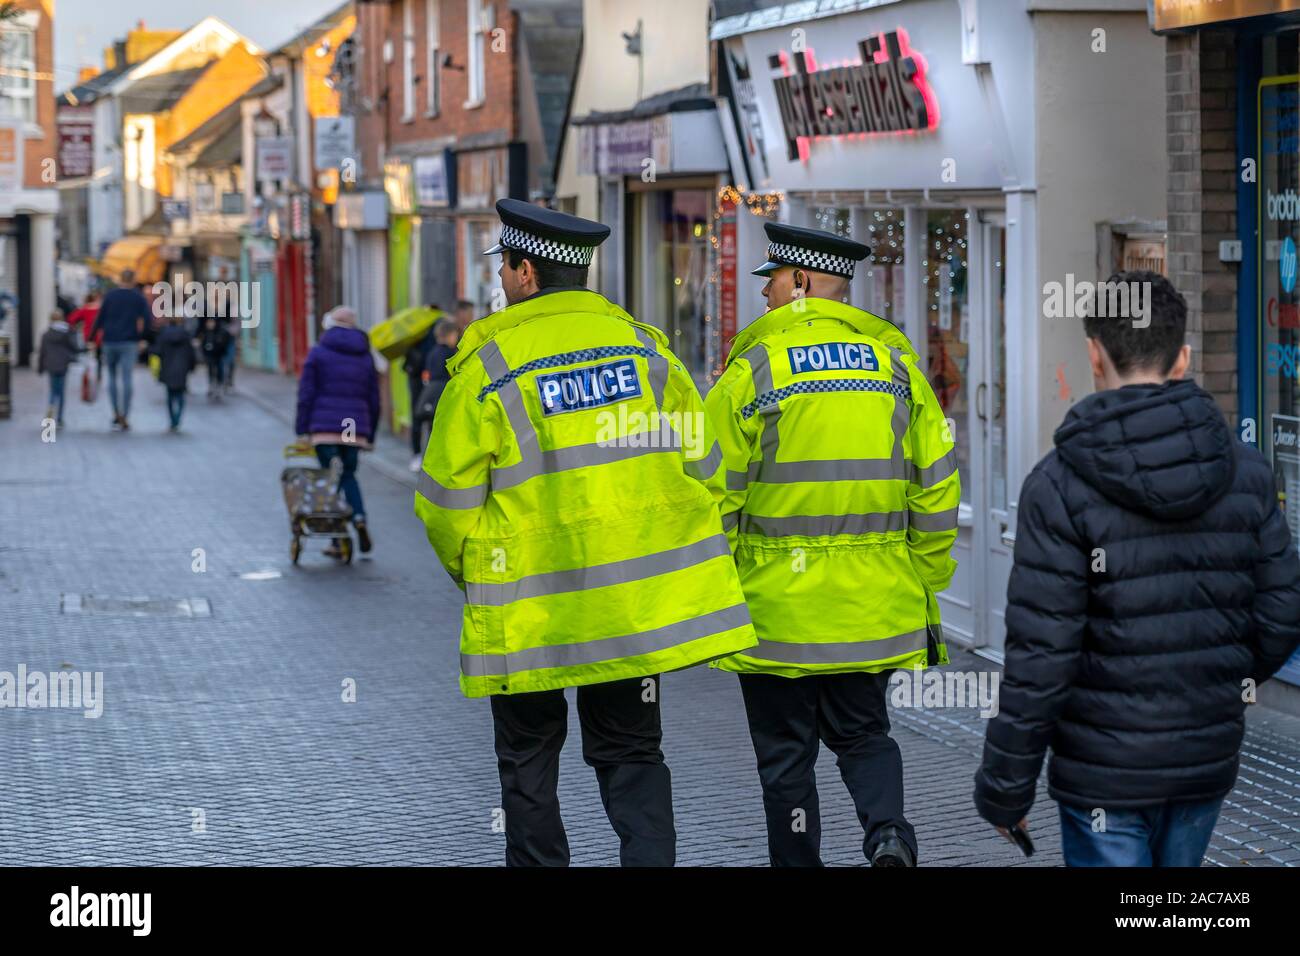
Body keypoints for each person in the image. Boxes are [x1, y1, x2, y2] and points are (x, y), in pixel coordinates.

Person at [415, 198, 757, 867]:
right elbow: (708, 471)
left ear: (525, 274)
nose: (504, 282)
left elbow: (444, 504)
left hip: (528, 611)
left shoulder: (488, 365)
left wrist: (477, 572)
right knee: (633, 755)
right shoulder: (648, 352)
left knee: (529, 762)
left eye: (507, 268)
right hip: (628, 610)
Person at [973, 272, 1300, 867]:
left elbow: (1041, 658)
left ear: (1095, 357)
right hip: (1204, 759)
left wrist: (1005, 787)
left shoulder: (1057, 486)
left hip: (1103, 774)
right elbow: (1282, 611)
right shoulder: (1248, 473)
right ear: (1183, 359)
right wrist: (1220, 676)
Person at [704, 222, 960, 868]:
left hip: (777, 617)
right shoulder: (897, 367)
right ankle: (889, 835)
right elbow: (935, 488)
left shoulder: (752, 371)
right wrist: (921, 581)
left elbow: (713, 499)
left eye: (772, 283)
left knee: (787, 762)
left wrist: (718, 593)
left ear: (801, 283)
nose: (764, 297)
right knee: (866, 734)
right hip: (872, 608)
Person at [295, 306, 380, 555]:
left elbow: (306, 393)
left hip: (324, 428)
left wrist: (302, 429)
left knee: (328, 479)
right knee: (348, 476)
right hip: (352, 430)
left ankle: (335, 534)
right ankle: (358, 517)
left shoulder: (319, 352)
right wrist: (371, 433)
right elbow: (374, 399)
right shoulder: (365, 355)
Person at [92, 270, 150, 430]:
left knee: (111, 376)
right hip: (129, 341)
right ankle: (125, 414)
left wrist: (92, 338)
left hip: (109, 340)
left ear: (120, 279)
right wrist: (143, 338)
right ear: (133, 280)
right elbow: (147, 318)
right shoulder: (138, 297)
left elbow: (100, 318)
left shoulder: (110, 296)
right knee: (127, 378)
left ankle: (115, 412)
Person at [411, 318, 458, 455]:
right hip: (444, 395)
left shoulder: (431, 353)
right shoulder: (451, 354)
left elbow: (427, 374)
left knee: (432, 429)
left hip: (430, 393)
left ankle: (429, 455)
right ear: (450, 335)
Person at [404, 317, 439, 472]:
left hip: (420, 380)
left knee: (419, 417)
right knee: (430, 418)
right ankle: (423, 456)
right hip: (425, 380)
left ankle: (418, 456)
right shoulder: (429, 330)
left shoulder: (415, 331)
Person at [151, 313, 196, 432]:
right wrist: (191, 367)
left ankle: (172, 420)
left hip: (167, 367)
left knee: (170, 395)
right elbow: (191, 353)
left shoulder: (163, 335)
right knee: (180, 395)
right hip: (182, 368)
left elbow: (157, 351)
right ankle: (177, 418)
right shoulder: (185, 335)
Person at [38, 310, 81, 428]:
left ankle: (51, 406)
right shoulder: (66, 332)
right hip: (63, 364)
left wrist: (40, 367)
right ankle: (60, 418)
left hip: (50, 364)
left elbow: (42, 352)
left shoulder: (46, 334)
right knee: (61, 391)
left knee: (53, 390)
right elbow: (74, 347)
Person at [68, 291, 102, 381]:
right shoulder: (100, 309)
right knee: (99, 356)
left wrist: (77, 326)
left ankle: (87, 373)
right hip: (99, 335)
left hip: (88, 335)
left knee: (87, 354)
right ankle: (99, 373)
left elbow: (72, 319)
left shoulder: (85, 308)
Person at [198, 318, 232, 399]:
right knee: (210, 370)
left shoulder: (221, 331)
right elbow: (203, 343)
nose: (210, 324)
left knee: (220, 370)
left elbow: (225, 342)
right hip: (210, 355)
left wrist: (221, 350)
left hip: (219, 355)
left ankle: (219, 386)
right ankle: (212, 386)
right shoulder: (207, 332)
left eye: (211, 322)